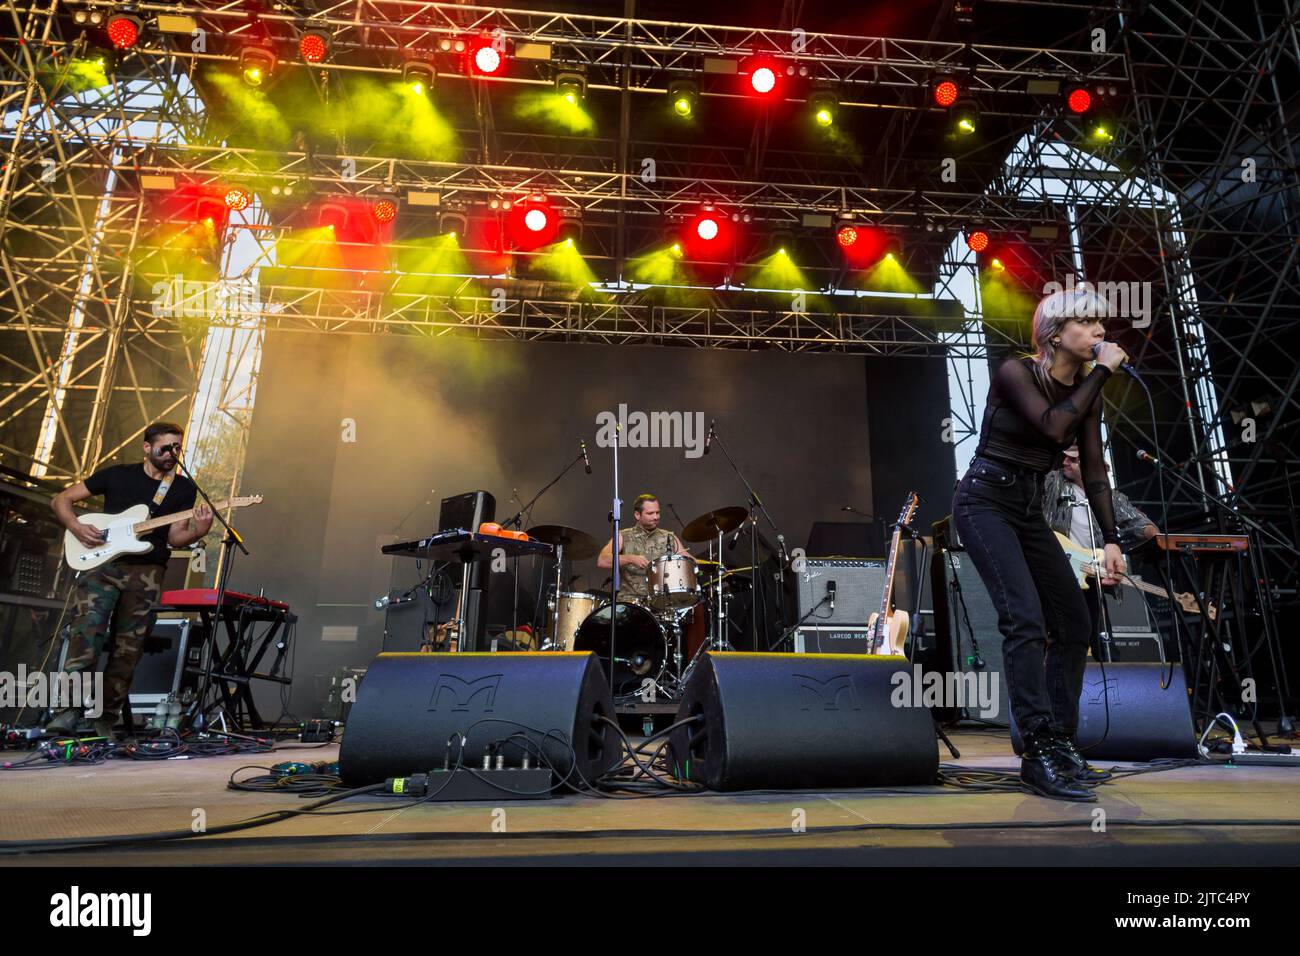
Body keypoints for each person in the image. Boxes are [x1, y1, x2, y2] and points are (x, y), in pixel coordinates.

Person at [952, 287, 1127, 800]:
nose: (1100, 333)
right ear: (1055, 333)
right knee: (1024, 618)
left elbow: (1093, 469)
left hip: (1029, 510)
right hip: (984, 502)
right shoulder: (1016, 371)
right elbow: (1054, 430)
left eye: (1101, 324)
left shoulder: (1087, 390)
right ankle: (1035, 749)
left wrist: (1112, 538)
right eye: (1088, 324)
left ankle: (1060, 739)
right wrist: (1102, 373)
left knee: (1074, 621)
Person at [45, 422, 212, 739]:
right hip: (103, 566)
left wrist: (199, 530)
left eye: (178, 447)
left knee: (128, 649)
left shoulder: (183, 488)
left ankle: (104, 718)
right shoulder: (118, 475)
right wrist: (78, 527)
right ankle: (68, 711)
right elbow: (61, 500)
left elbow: (175, 537)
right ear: (148, 447)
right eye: (166, 447)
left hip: (147, 572)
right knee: (86, 633)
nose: (172, 453)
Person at [1044, 444, 1160, 659]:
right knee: (1056, 633)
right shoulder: (1053, 482)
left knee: (1098, 635)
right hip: (1054, 569)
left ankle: (1110, 681)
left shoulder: (1109, 496)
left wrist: (1155, 535)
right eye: (1065, 458)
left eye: (1073, 460)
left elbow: (1136, 521)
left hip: (1088, 574)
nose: (1065, 463)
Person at [597, 494, 691, 602]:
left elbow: (687, 561)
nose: (656, 517)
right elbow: (602, 560)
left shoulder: (668, 536)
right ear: (637, 515)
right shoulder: (623, 535)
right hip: (630, 603)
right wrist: (630, 558)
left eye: (657, 512)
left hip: (662, 603)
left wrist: (708, 565)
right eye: (650, 513)